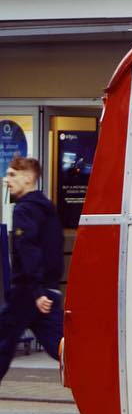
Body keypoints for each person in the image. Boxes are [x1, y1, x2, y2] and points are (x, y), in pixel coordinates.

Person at [1, 157, 64, 383]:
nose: (6, 179)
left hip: (29, 293)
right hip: (46, 291)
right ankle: (96, 374)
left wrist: (37, 291)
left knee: (3, 341)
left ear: (29, 178)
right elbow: (54, 249)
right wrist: (47, 288)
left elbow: (29, 249)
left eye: (12, 174)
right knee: (60, 345)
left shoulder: (24, 210)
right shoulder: (48, 208)